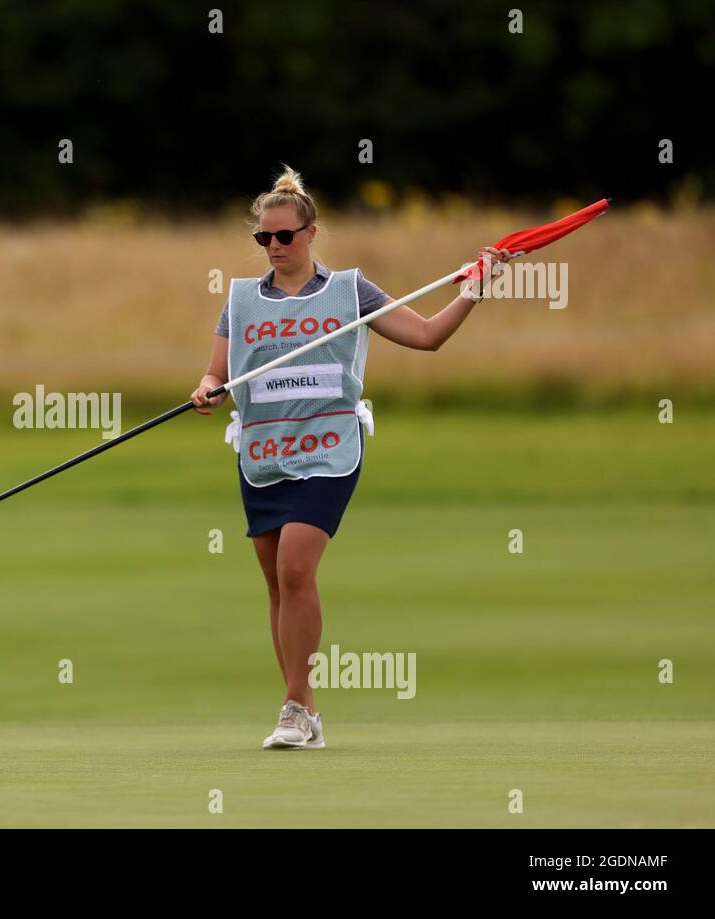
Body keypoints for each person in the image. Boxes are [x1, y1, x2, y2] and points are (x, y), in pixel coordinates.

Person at [190, 166, 509, 750]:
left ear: (312, 233)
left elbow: (428, 335)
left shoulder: (351, 291)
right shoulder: (239, 300)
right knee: (276, 585)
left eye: (285, 236)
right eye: (264, 238)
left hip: (329, 448)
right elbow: (218, 370)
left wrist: (475, 286)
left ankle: (291, 706)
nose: (274, 248)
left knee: (294, 568)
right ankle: (304, 709)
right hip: (262, 453)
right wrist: (205, 388)